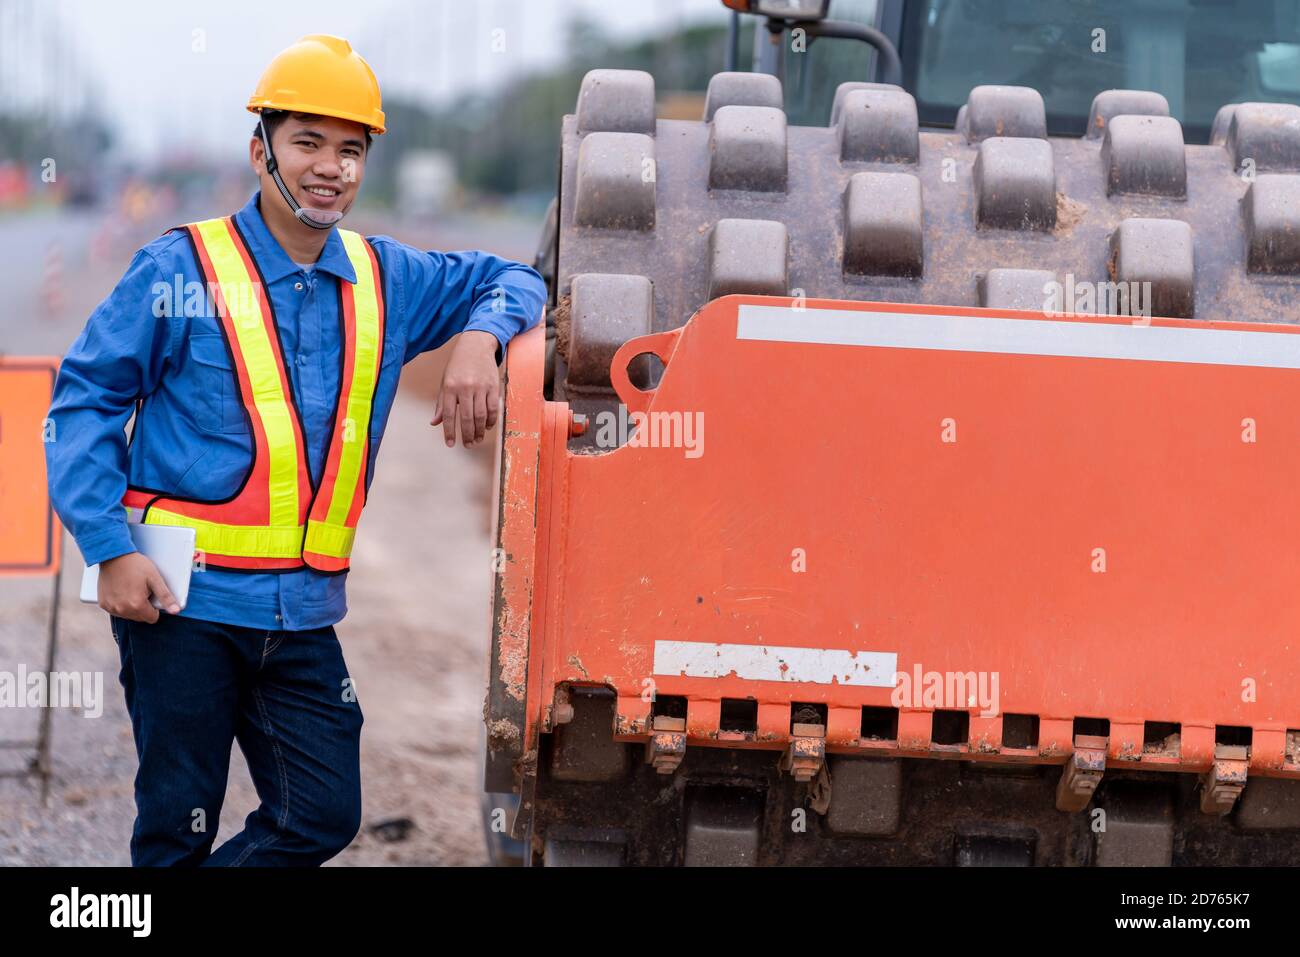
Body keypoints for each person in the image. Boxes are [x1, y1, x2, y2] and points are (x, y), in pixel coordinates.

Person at [43, 35, 545, 866]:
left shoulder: (388, 277)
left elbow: (519, 278)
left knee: (321, 811)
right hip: (180, 608)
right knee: (178, 822)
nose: (331, 168)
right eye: (308, 142)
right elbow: (84, 402)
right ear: (261, 150)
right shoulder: (183, 267)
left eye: (351, 150)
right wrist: (107, 548)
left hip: (302, 618)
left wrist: (478, 338)